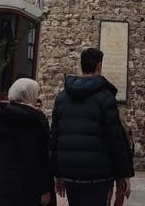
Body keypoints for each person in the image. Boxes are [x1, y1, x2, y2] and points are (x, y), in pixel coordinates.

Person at [51, 47, 133, 206]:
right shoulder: (105, 97)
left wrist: (57, 174)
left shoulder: (61, 98)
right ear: (99, 66)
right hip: (97, 177)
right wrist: (124, 174)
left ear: (81, 66)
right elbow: (115, 140)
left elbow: (54, 139)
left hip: (70, 174)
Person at [0, 77, 53, 206]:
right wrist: (44, 188)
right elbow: (36, 159)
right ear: (29, 95)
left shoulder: (0, 116)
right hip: (20, 192)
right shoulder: (33, 120)